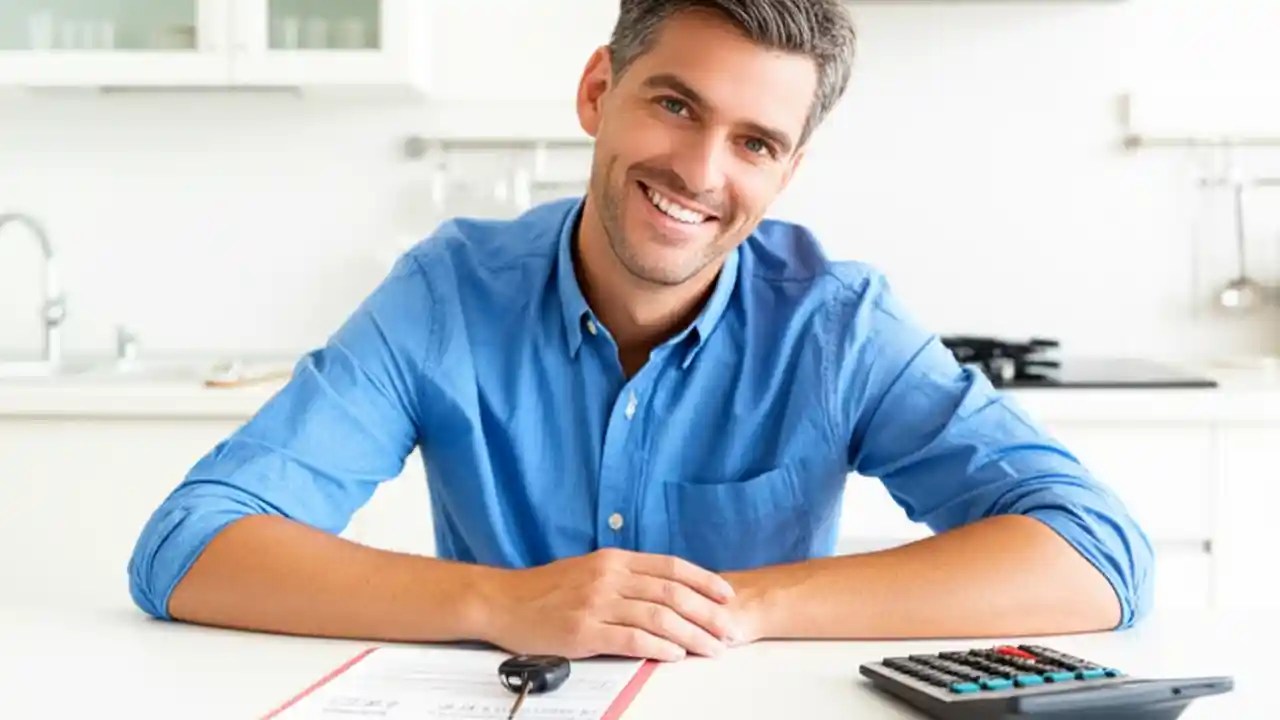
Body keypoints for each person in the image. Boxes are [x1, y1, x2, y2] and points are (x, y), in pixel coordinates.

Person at [127, 0, 1153, 663]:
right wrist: (501, 604)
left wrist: (741, 607)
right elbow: (190, 546)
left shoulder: (837, 326)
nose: (701, 173)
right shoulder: (445, 295)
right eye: (673, 104)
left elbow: (1096, 555)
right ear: (595, 93)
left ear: (784, 171)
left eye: (752, 142)